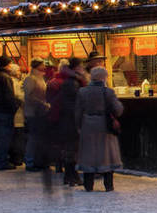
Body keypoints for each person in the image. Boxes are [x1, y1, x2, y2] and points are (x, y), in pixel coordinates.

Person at [75, 66, 124, 191]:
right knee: (106, 155)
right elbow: (118, 110)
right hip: (104, 125)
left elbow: (78, 112)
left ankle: (88, 185)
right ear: (104, 78)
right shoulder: (108, 92)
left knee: (88, 155)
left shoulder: (82, 92)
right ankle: (108, 185)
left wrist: (79, 126)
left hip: (87, 124)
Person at [46, 57, 87, 187]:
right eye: (81, 66)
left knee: (70, 148)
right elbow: (73, 103)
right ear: (76, 68)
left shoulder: (71, 81)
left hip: (66, 119)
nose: (83, 69)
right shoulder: (72, 82)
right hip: (70, 119)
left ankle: (70, 176)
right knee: (72, 148)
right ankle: (71, 176)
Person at [0, 56, 20, 171]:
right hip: (4, 111)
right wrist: (15, 106)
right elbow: (9, 96)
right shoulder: (5, 78)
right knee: (4, 137)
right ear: (6, 65)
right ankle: (2, 161)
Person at [22, 59, 49, 171]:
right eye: (42, 64)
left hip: (40, 112)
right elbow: (28, 96)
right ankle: (30, 161)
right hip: (32, 112)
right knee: (33, 137)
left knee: (38, 138)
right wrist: (42, 103)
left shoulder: (40, 78)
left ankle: (37, 160)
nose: (44, 66)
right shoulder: (30, 79)